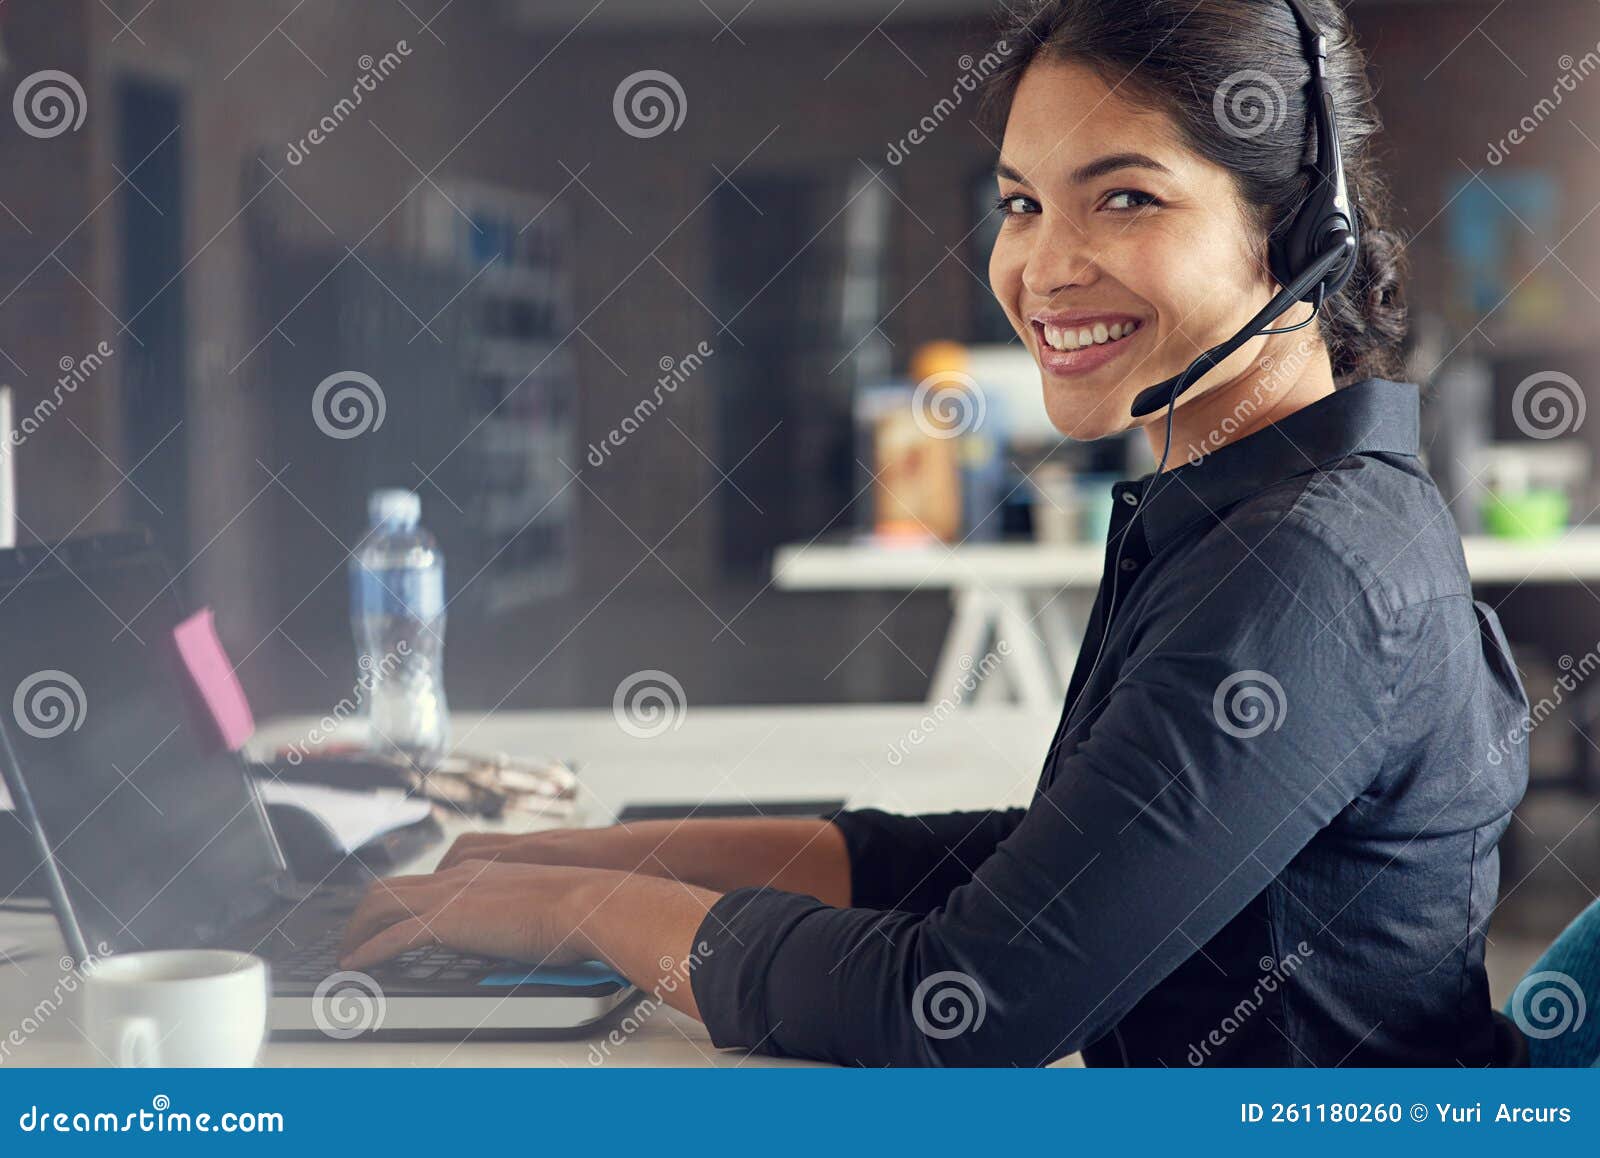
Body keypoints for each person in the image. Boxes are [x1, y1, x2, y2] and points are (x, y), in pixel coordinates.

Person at [340, 0, 1530, 1066]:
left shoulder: (1305, 569)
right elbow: (1063, 870)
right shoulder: (1256, 510)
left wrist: (577, 914)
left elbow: (961, 1006)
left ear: (1301, 232)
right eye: (1020, 204)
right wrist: (615, 857)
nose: (1042, 268)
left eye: (1125, 197)